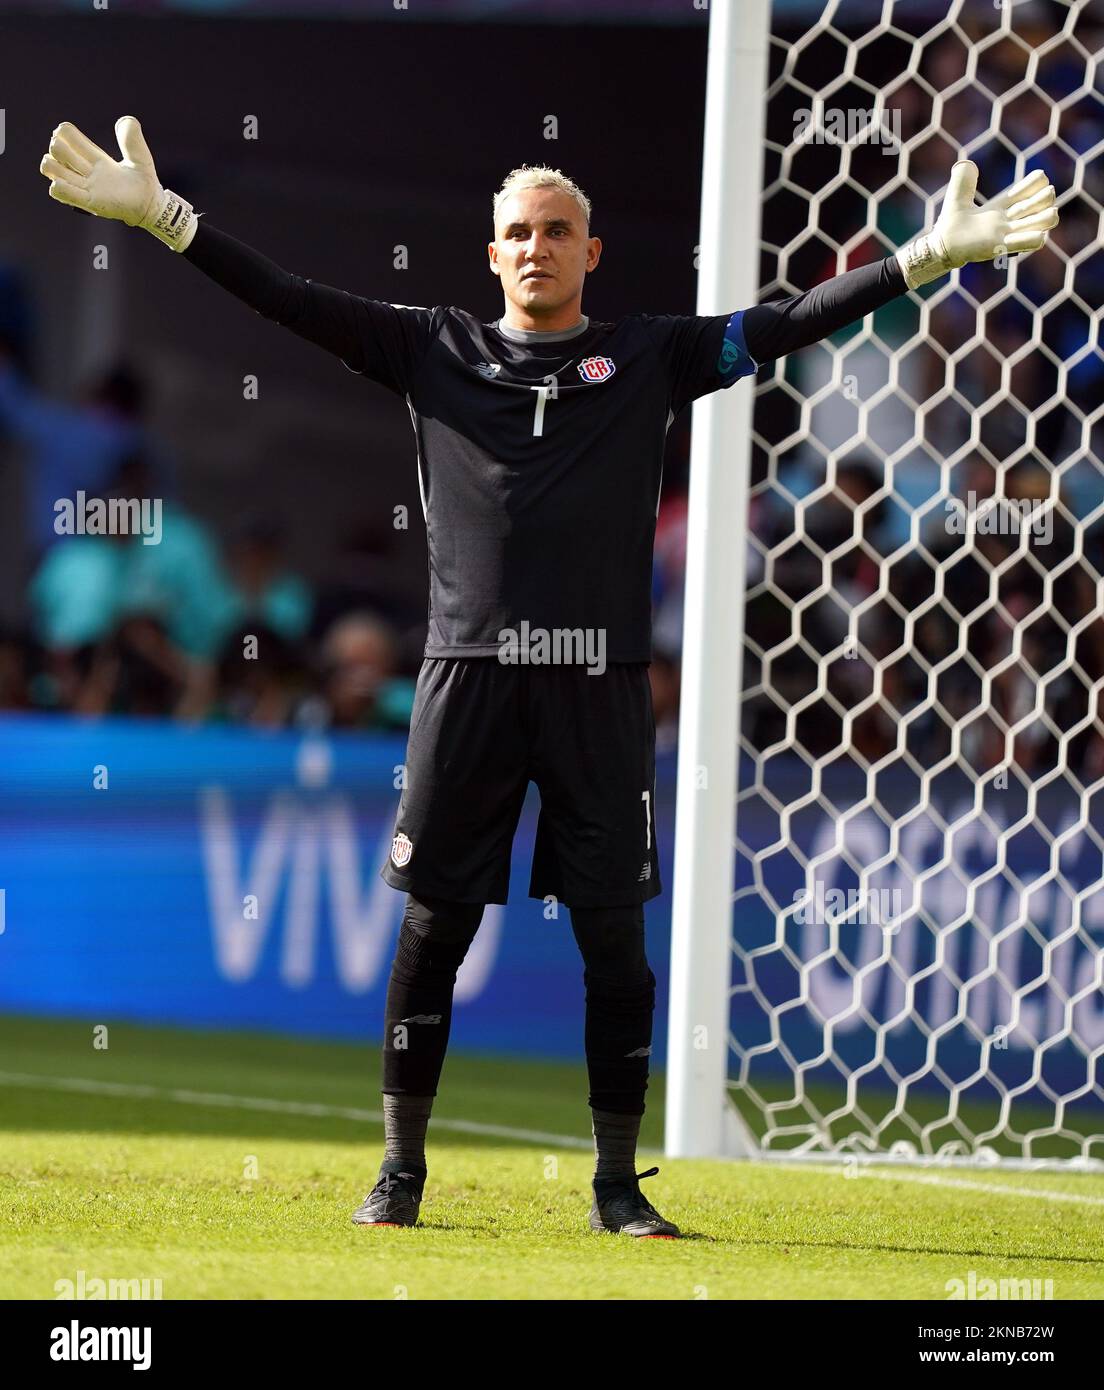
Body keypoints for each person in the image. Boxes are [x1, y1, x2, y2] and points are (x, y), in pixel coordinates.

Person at [40, 116, 1058, 1238]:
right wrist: (165, 219)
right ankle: (399, 1176)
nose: (537, 248)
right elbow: (288, 296)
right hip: (467, 679)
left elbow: (780, 324)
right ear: (492, 255)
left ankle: (618, 1188)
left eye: (558, 232)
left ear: (591, 252)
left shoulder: (653, 358)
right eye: (518, 233)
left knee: (613, 940)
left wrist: (922, 259)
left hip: (599, 687)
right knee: (434, 929)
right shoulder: (432, 347)